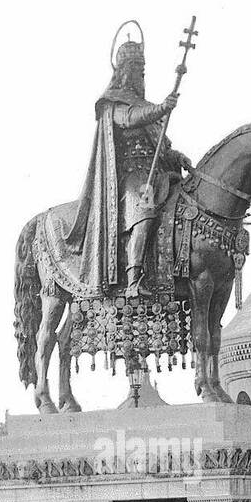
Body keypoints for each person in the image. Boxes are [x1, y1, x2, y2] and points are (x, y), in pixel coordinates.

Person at [65, 25, 192, 299]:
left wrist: (176, 156)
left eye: (142, 69)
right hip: (132, 177)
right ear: (123, 70)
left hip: (157, 173)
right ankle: (134, 278)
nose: (140, 74)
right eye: (135, 68)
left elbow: (160, 144)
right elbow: (130, 118)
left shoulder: (143, 104)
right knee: (144, 214)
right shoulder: (113, 103)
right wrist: (161, 107)